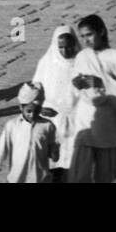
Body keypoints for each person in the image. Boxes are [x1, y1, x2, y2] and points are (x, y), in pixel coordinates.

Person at [69, 14, 116, 183]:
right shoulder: (82, 56)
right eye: (82, 36)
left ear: (101, 32)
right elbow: (75, 87)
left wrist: (102, 82)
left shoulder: (114, 56)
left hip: (107, 123)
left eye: (89, 35)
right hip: (86, 119)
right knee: (79, 172)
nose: (86, 40)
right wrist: (77, 84)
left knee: (107, 174)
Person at [0, 82, 59, 183]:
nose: (32, 115)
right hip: (16, 179)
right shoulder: (12, 126)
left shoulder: (48, 126)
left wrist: (55, 153)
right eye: (29, 111)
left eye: (36, 111)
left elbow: (52, 153)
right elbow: (0, 150)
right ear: (21, 108)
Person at [32, 26, 80, 180]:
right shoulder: (46, 64)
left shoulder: (85, 63)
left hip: (77, 124)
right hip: (52, 124)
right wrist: (41, 109)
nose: (65, 51)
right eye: (61, 47)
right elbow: (34, 93)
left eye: (69, 47)